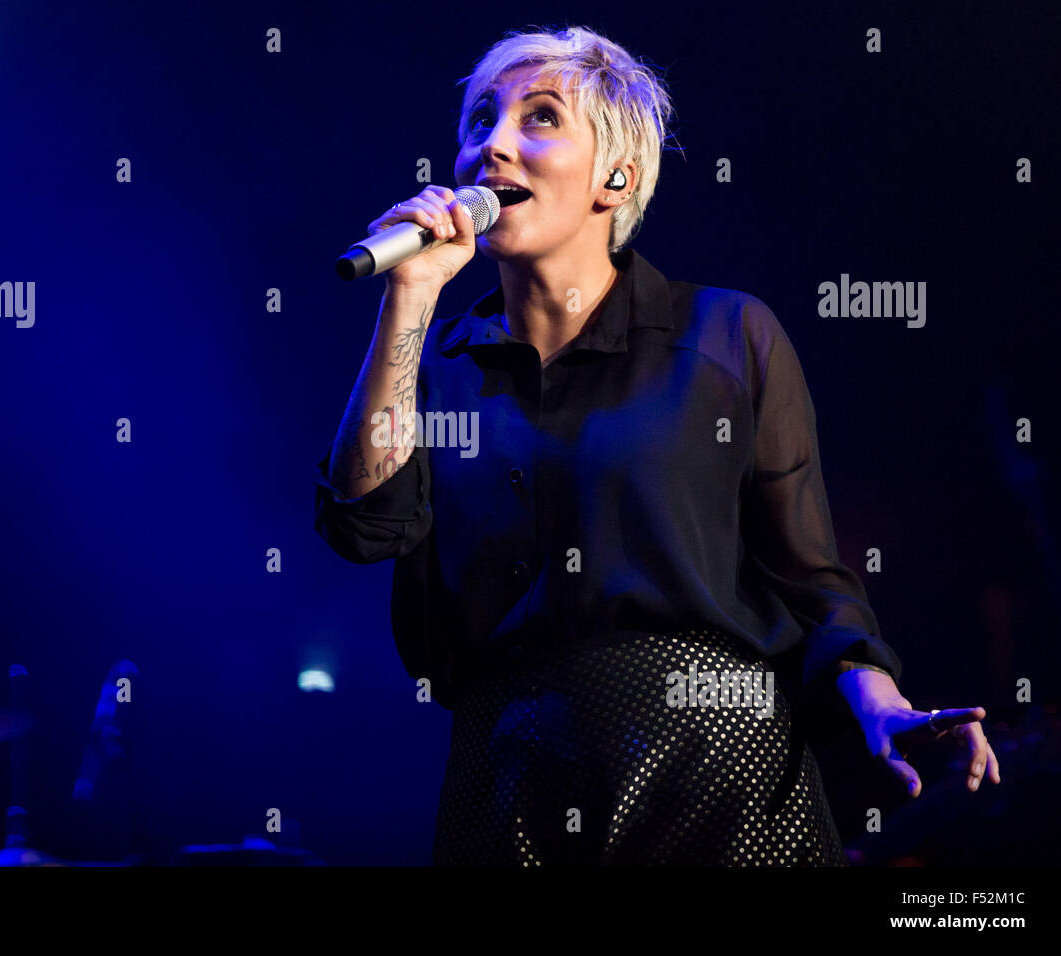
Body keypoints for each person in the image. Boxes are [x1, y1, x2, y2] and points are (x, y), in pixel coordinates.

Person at [313, 25, 1000, 866]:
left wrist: (877, 696)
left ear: (617, 176)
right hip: (508, 774)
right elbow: (363, 524)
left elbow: (808, 575)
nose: (490, 145)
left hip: (717, 767)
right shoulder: (431, 364)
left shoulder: (725, 335)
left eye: (538, 118)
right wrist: (409, 298)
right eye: (478, 120)